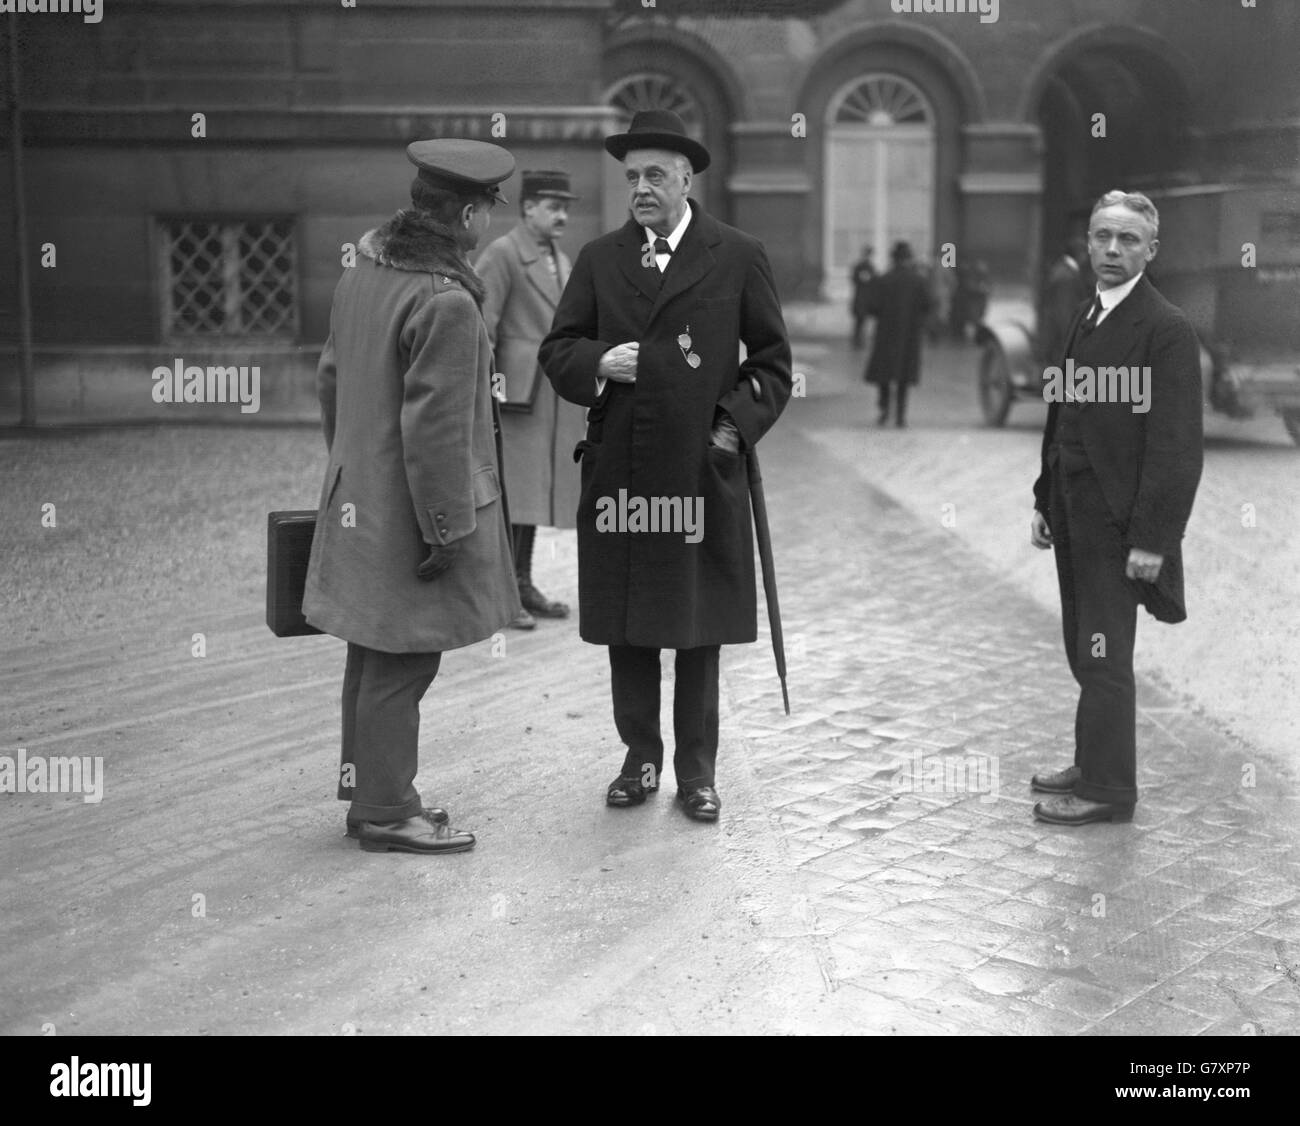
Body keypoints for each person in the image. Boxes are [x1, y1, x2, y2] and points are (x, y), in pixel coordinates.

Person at [538, 109, 792, 823]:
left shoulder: (737, 254)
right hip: (620, 471)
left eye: (655, 175)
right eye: (631, 177)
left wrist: (730, 434)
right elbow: (557, 351)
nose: (641, 188)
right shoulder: (599, 259)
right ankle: (639, 757)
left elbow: (772, 366)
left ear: (686, 177)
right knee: (628, 625)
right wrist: (598, 362)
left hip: (700, 473)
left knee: (698, 626)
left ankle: (697, 773)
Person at [302, 139, 521, 854]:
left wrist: (354, 467)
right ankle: (387, 809)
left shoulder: (365, 269)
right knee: (404, 659)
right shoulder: (447, 300)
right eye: (487, 209)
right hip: (408, 512)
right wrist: (446, 528)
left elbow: (331, 378)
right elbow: (436, 430)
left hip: (358, 494)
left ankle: (369, 790)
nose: (488, 222)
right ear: (463, 214)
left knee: (370, 649)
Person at [1030, 190, 1204, 826]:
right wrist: (1045, 499)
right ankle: (1090, 760)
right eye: (1103, 236)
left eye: (1128, 240)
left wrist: (1154, 538)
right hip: (1074, 510)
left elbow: (1178, 446)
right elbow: (1063, 416)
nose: (1111, 249)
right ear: (1088, 242)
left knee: (1105, 655)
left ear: (1152, 250)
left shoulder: (1166, 330)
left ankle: (1109, 791)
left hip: (1120, 522)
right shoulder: (1089, 315)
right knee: (1084, 645)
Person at [476, 170, 586, 630]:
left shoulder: (561, 259)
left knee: (534, 495)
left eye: (565, 207)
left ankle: (521, 582)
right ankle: (502, 594)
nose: (562, 215)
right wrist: (491, 391)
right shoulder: (503, 254)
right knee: (513, 496)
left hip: (551, 397)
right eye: (552, 206)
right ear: (527, 208)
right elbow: (481, 326)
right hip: (516, 398)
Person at [862, 240, 933, 427]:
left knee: (884, 374)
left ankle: (884, 410)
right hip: (909, 334)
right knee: (904, 376)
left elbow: (872, 307)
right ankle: (901, 416)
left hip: (886, 333)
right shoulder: (919, 281)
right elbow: (927, 305)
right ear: (909, 259)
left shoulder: (883, 280)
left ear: (893, 259)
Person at [1038, 232, 1092, 369]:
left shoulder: (1062, 270)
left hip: (1054, 340)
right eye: (1086, 253)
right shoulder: (1067, 277)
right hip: (1060, 343)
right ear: (1079, 254)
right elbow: (1065, 313)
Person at [849, 245, 877, 349]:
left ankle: (859, 340)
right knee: (859, 321)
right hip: (861, 298)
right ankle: (858, 341)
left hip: (865, 298)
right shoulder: (861, 266)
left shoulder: (868, 266)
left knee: (862, 321)